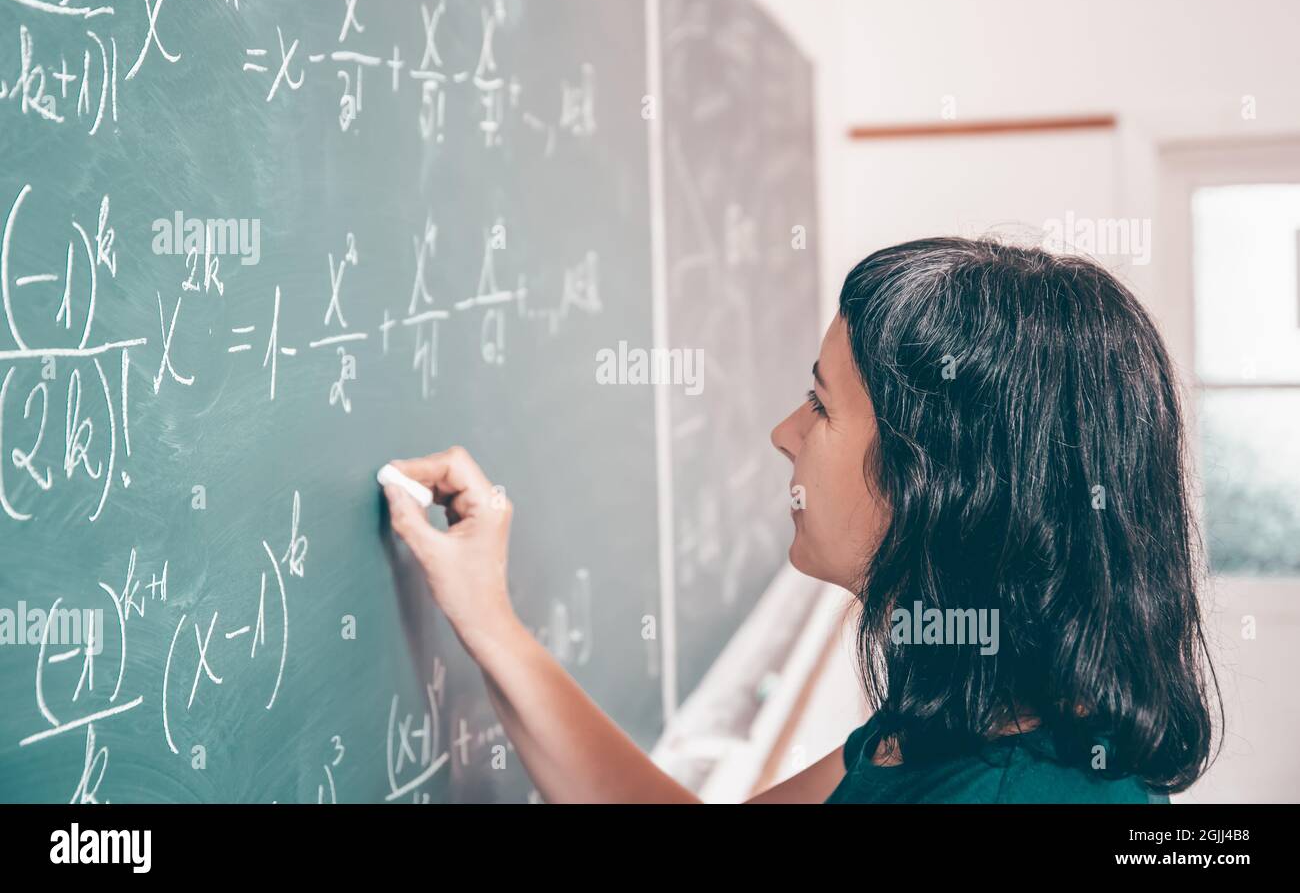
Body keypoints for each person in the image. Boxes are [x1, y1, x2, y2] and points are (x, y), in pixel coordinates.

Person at [381, 236, 1220, 803]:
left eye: (820, 406)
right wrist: (489, 619)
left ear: (940, 486)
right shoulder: (963, 722)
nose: (784, 434)